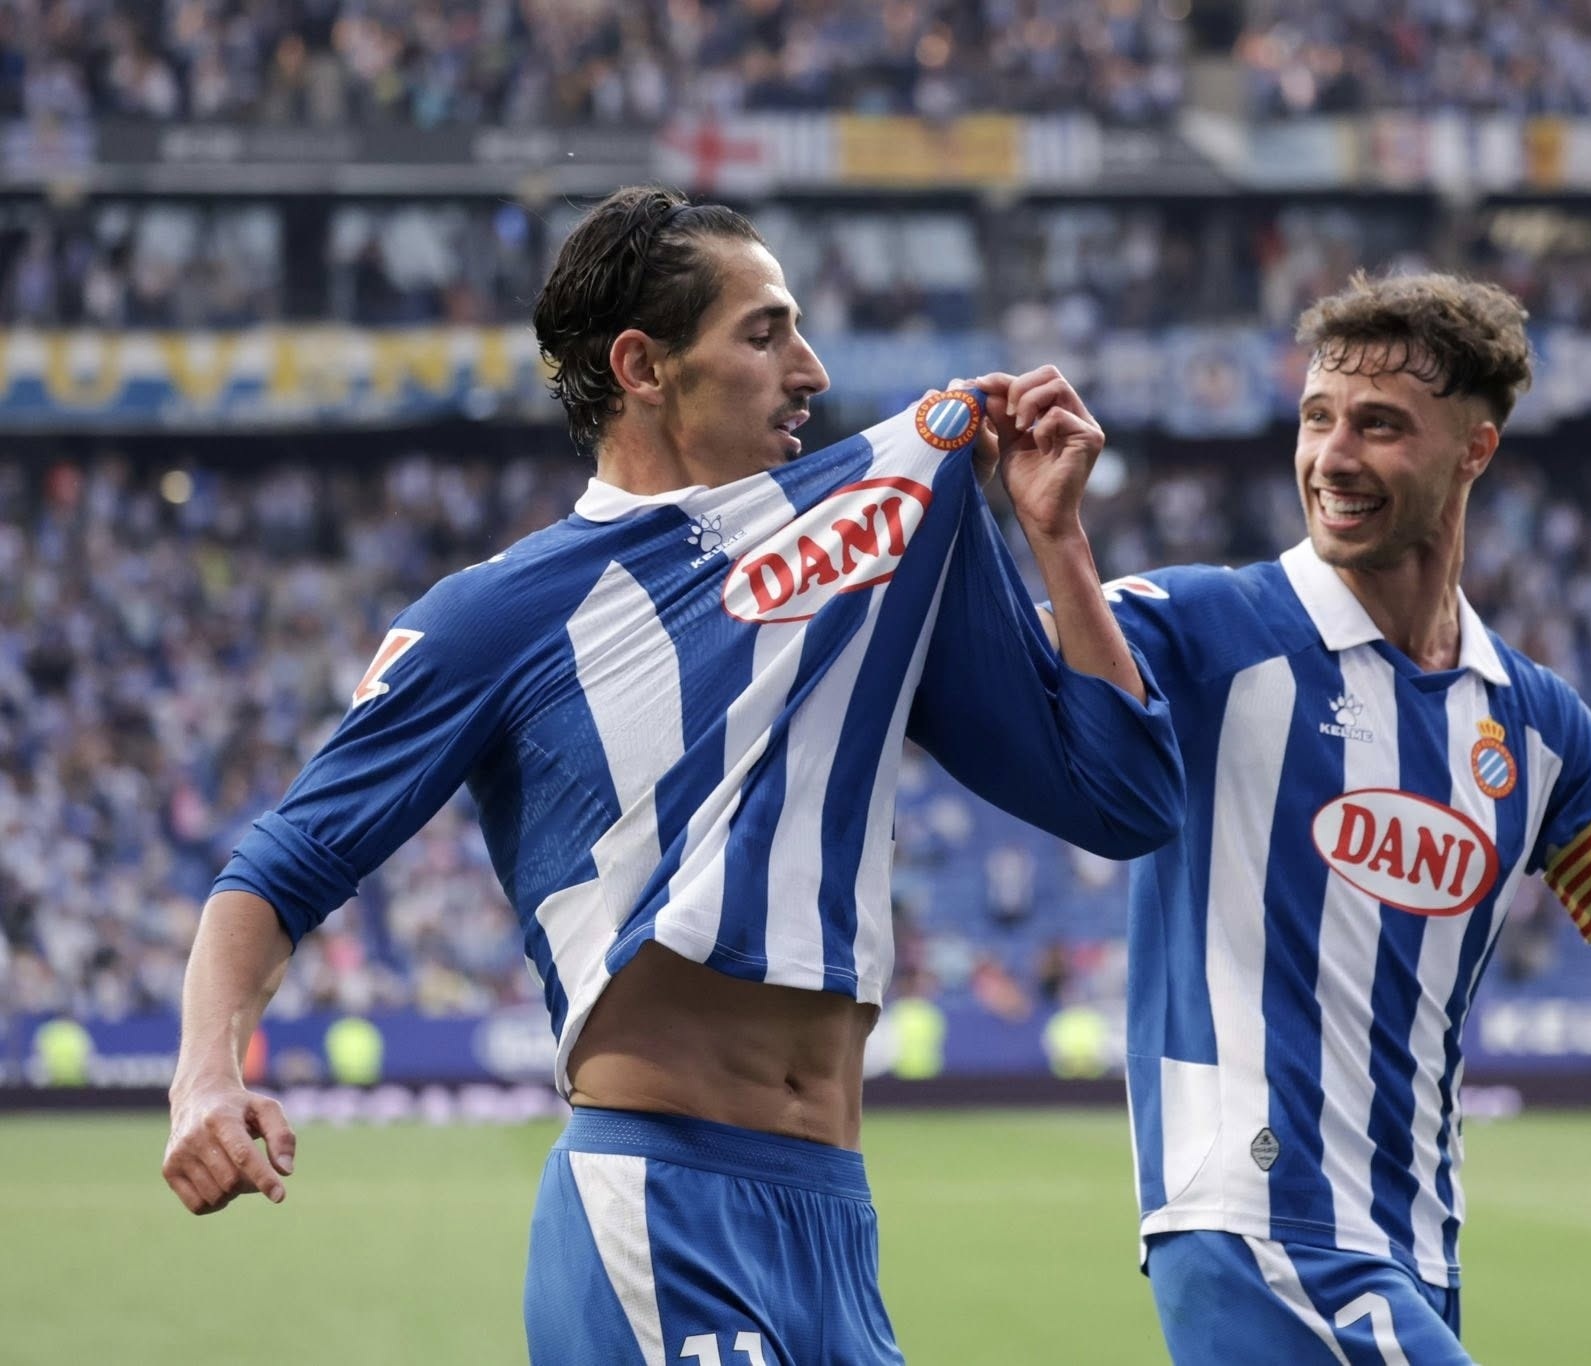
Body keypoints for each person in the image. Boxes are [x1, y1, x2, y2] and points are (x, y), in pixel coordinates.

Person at [161, 186, 1183, 1364]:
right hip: (659, 1209)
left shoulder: (882, 554)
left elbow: (1122, 801)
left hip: (835, 1223)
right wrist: (203, 1078)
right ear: (642, 365)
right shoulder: (497, 617)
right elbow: (282, 865)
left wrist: (1055, 539)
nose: (809, 368)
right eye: (763, 332)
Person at [1014, 271, 1591, 1364]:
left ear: (1475, 449)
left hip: (1415, 1247)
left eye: (1377, 425)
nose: (1331, 456)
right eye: (1316, 418)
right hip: (1260, 1217)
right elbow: (995, 667)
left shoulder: (1536, 726)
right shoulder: (1209, 627)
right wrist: (1055, 538)